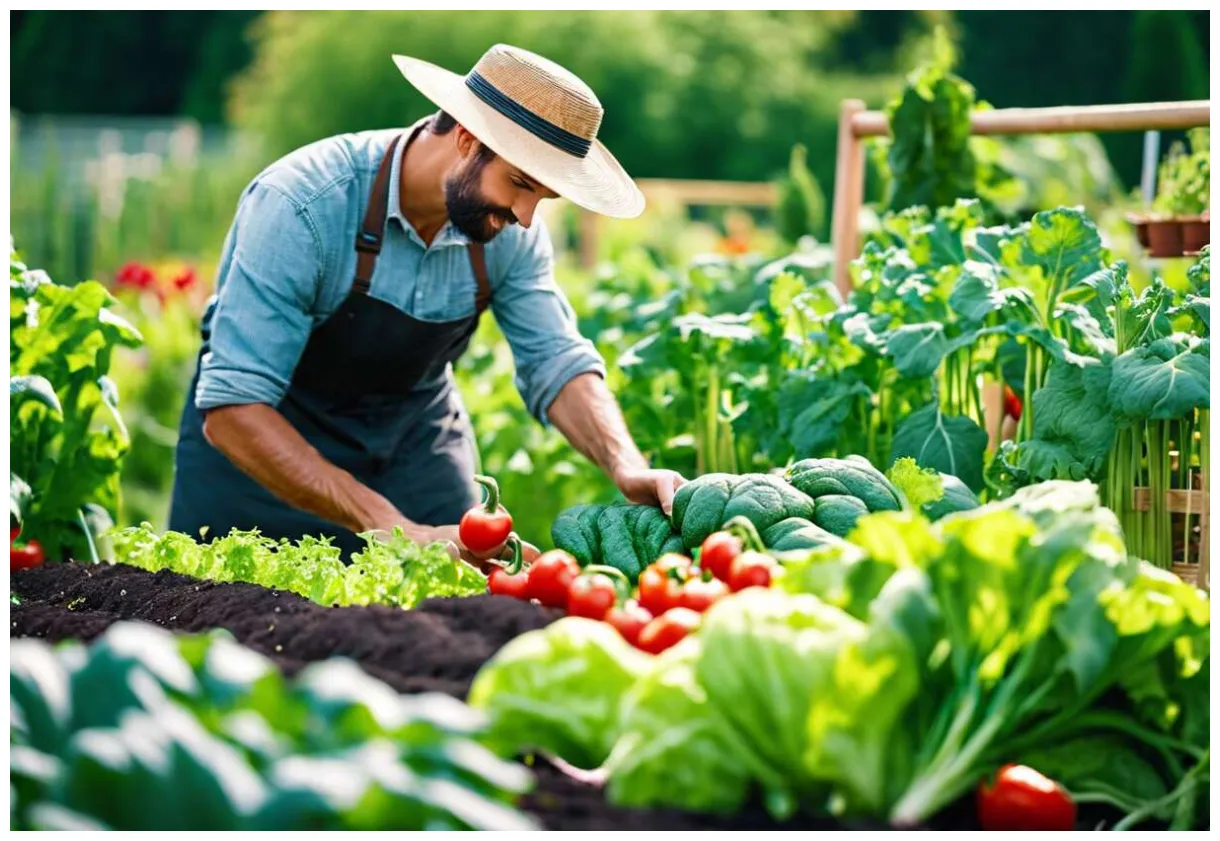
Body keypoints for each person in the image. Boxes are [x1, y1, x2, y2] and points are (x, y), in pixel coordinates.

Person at [168, 44, 687, 565]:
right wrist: (387, 525)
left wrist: (625, 465)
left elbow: (555, 359)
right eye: (519, 184)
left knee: (457, 608)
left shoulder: (510, 231)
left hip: (413, 450)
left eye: (543, 197)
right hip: (265, 462)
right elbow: (234, 408)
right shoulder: (304, 205)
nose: (527, 216)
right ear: (465, 138)